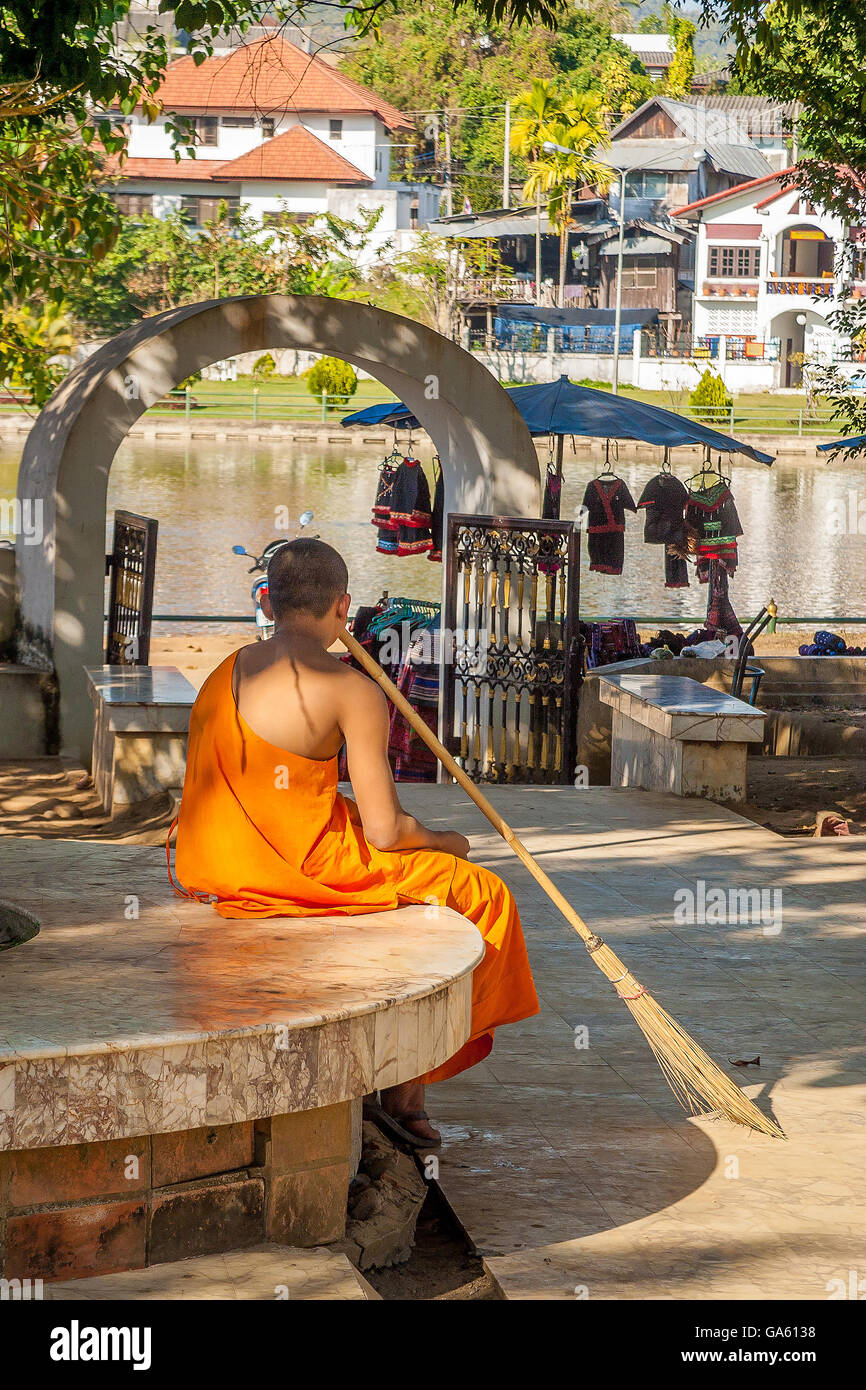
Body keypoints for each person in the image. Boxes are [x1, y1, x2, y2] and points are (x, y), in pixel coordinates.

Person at [172, 538, 539, 1147]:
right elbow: (388, 832)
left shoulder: (226, 668)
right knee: (485, 893)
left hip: (211, 860)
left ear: (269, 600)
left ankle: (395, 1082)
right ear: (344, 608)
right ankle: (406, 1089)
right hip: (299, 870)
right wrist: (450, 842)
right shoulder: (351, 688)